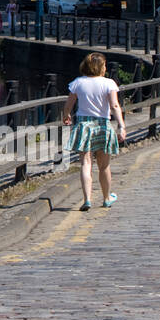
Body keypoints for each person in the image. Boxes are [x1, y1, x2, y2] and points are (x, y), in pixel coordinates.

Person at [62, 52, 127, 210]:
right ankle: (106, 198)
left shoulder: (78, 82)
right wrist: (121, 126)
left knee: (85, 163)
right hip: (102, 125)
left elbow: (69, 103)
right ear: (100, 67)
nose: (105, 67)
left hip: (84, 125)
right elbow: (114, 106)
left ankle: (87, 199)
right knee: (104, 166)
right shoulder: (109, 83)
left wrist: (66, 115)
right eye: (104, 65)